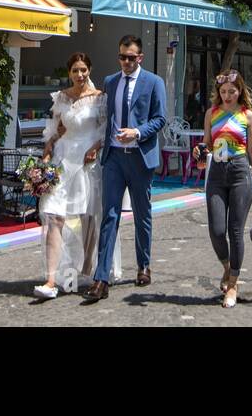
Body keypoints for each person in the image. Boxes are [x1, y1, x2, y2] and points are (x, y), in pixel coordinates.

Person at [83, 35, 167, 303]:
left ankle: (143, 265)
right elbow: (104, 118)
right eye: (122, 57)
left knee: (142, 214)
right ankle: (101, 278)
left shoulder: (154, 82)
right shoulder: (110, 82)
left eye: (131, 57)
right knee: (109, 215)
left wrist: (138, 132)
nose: (126, 62)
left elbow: (160, 118)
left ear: (140, 58)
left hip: (141, 158)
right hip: (115, 158)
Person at [33, 53, 118, 299]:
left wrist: (96, 148)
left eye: (83, 70)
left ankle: (88, 267)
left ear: (89, 70)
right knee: (53, 214)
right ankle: (50, 279)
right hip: (63, 158)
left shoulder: (100, 99)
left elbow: (106, 129)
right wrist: (48, 149)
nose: (80, 75)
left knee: (90, 217)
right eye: (75, 71)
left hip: (88, 161)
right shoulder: (61, 97)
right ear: (69, 73)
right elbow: (56, 128)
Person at [194, 69, 252, 308]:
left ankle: (233, 285)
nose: (227, 95)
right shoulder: (211, 114)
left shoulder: (248, 115)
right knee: (216, 230)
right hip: (216, 174)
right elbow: (206, 143)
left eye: (232, 91)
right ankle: (227, 267)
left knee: (235, 231)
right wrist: (199, 151)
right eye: (223, 91)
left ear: (240, 91)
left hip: (239, 174)